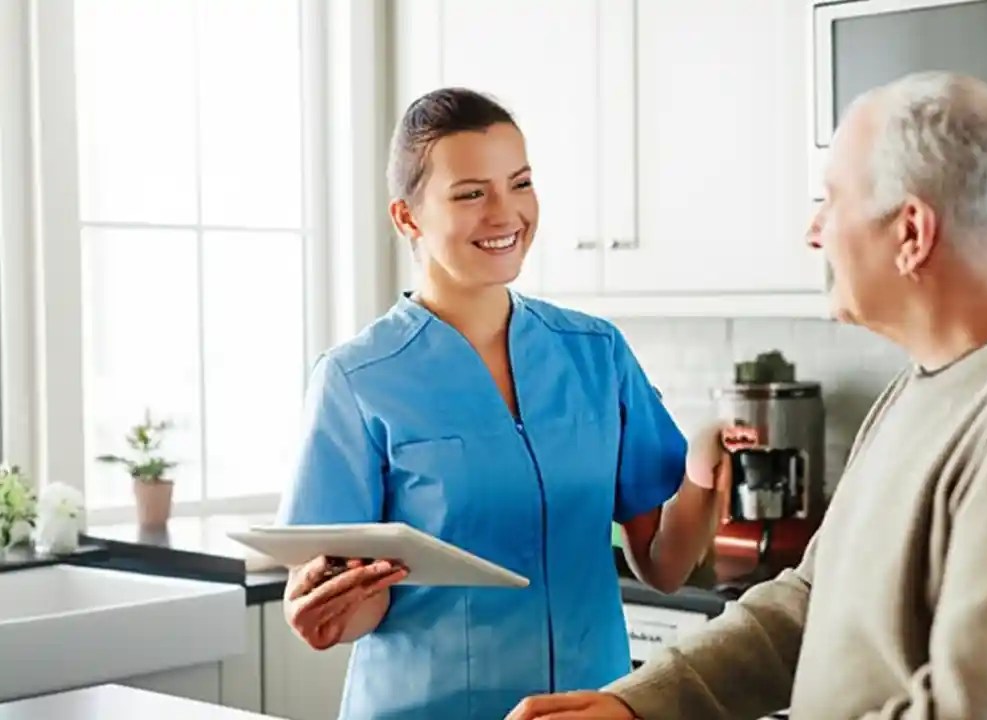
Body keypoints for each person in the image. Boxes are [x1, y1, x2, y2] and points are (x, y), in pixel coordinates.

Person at [507, 71, 987, 720]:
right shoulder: (926, 383)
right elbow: (810, 601)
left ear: (911, 233)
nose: (814, 231)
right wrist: (641, 703)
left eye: (831, 200)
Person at [275, 87, 753, 720]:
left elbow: (663, 565)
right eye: (472, 193)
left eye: (520, 183)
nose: (506, 213)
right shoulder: (357, 379)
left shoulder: (595, 353)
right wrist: (321, 611)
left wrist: (700, 466)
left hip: (588, 709)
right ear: (408, 218)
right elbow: (358, 599)